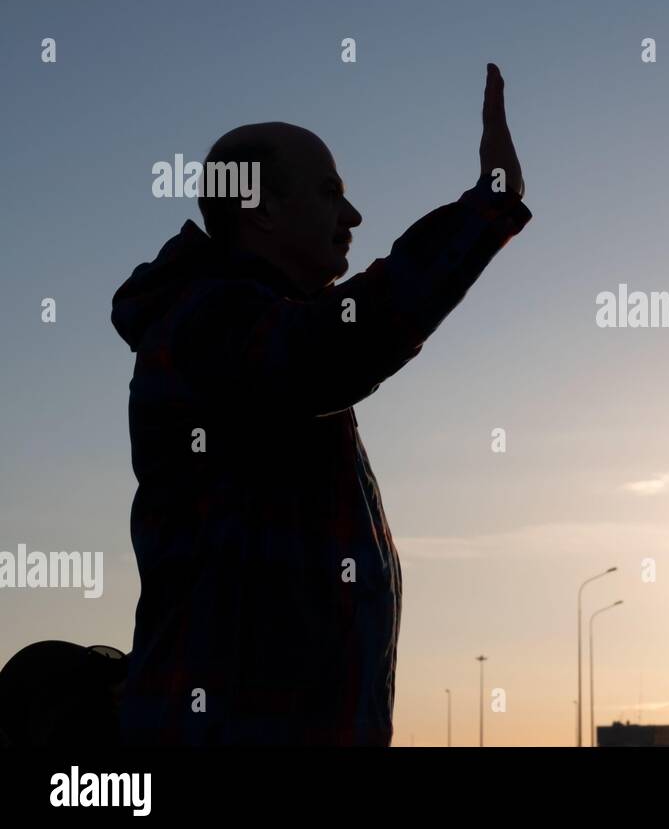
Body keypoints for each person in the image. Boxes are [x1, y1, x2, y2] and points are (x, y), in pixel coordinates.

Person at [110, 64, 530, 745]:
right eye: (330, 191)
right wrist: (487, 210)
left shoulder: (254, 325)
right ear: (261, 209)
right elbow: (340, 345)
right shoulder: (205, 325)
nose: (353, 215)